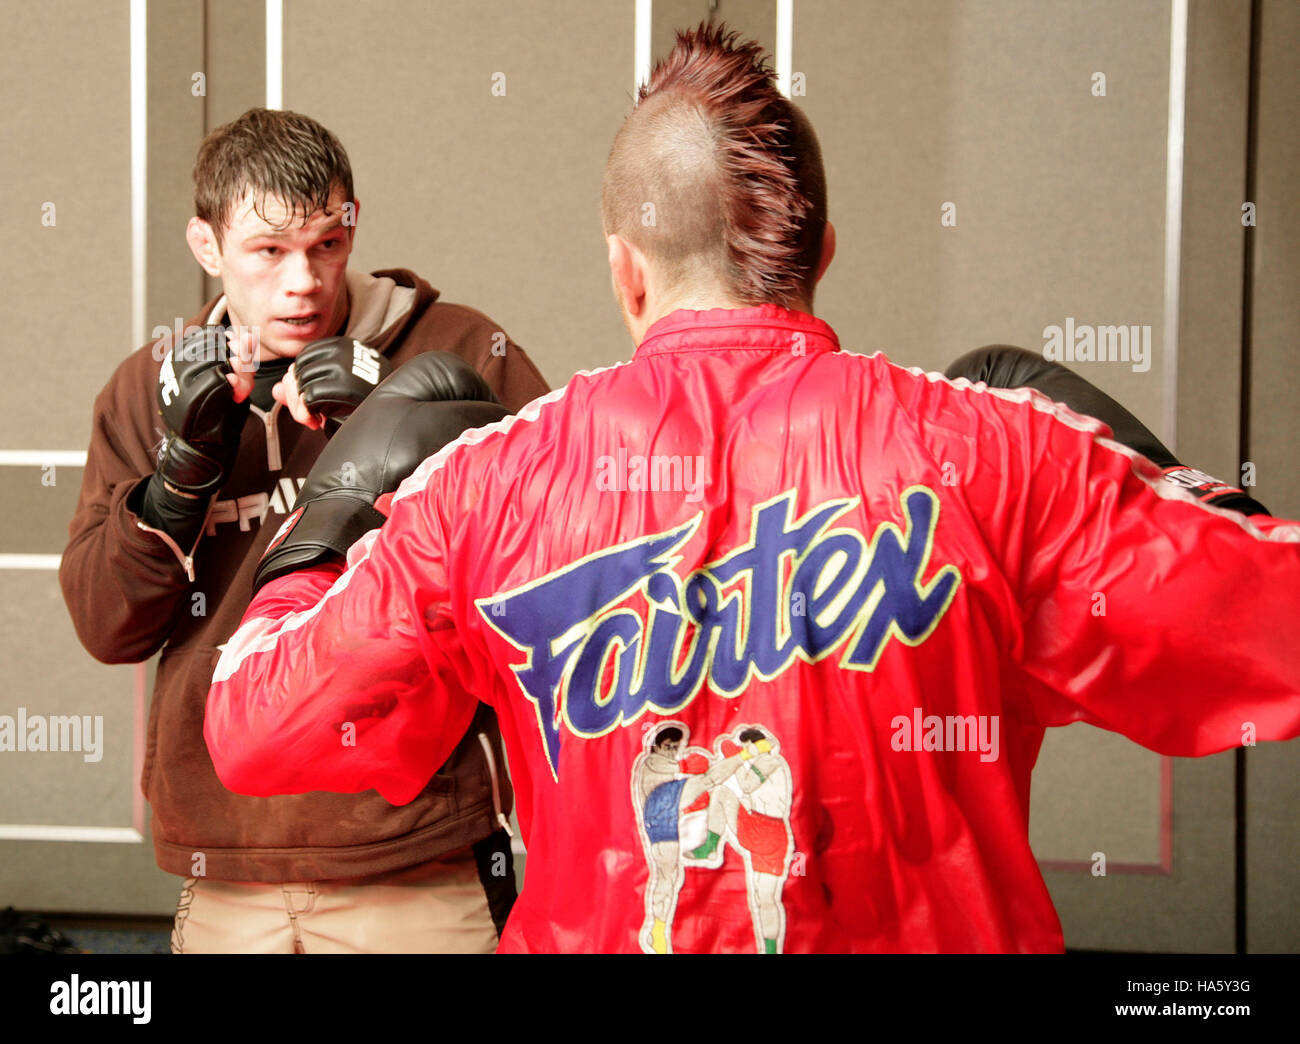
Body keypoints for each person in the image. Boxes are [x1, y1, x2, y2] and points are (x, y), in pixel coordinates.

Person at [202, 27, 1300, 952]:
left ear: (624, 269)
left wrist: (330, 518)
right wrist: (1165, 480)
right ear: (821, 247)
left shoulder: (479, 487)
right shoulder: (998, 451)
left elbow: (254, 730)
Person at [60, 107, 549, 953]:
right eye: (269, 251)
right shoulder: (145, 389)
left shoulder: (459, 344)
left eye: (327, 244)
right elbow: (108, 626)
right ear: (207, 247)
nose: (304, 282)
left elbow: (551, 580)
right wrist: (175, 482)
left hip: (416, 857)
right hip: (231, 854)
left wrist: (400, 446)